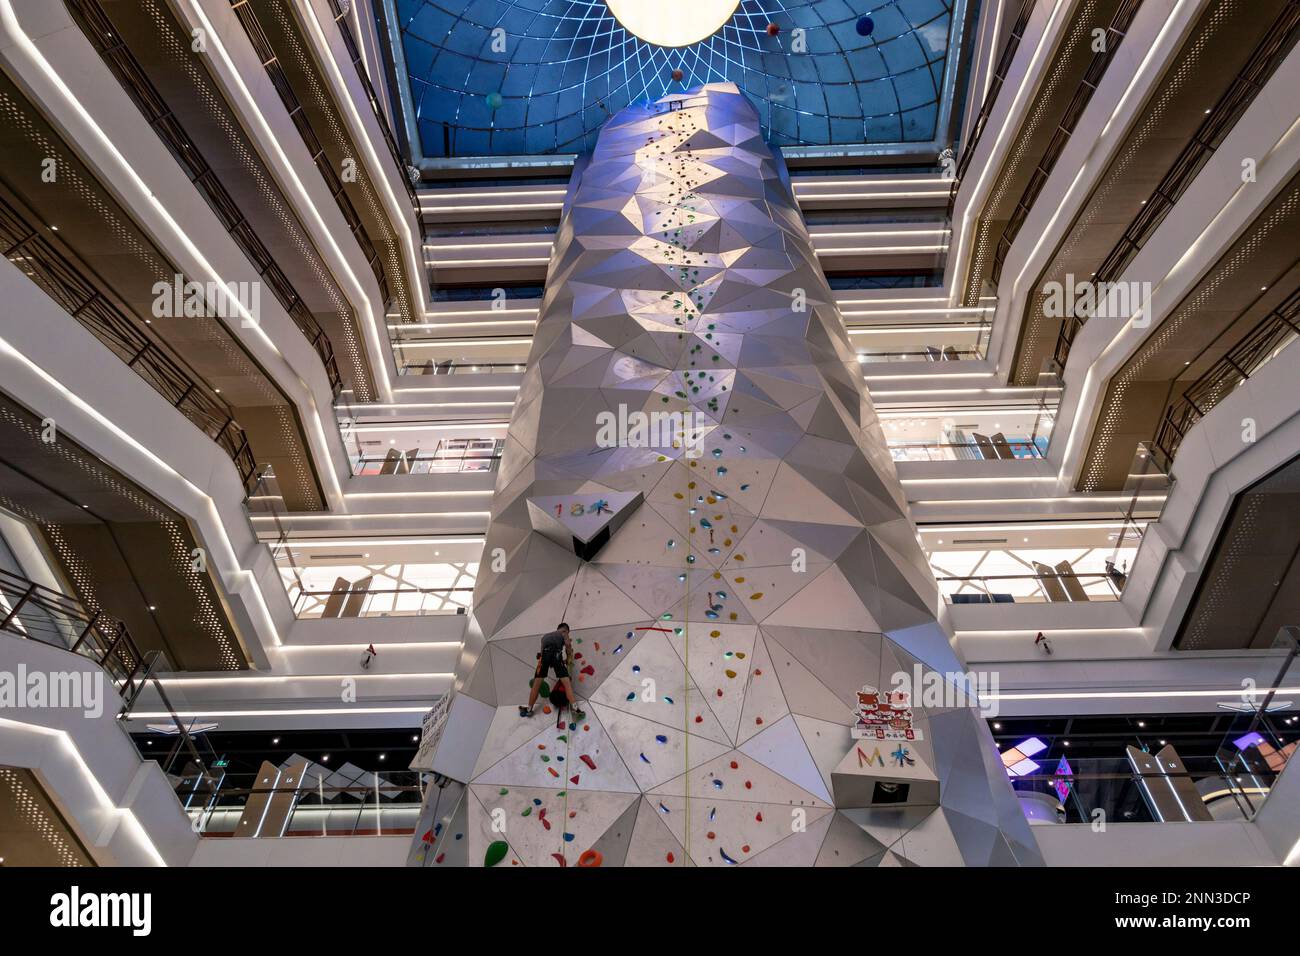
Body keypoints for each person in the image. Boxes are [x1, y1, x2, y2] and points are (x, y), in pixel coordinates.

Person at [519, 623, 584, 719]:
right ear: (565, 629)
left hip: (544, 657)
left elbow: (542, 655)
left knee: (536, 684)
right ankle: (576, 709)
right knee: (567, 684)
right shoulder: (564, 632)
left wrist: (555, 661)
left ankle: (529, 709)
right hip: (556, 655)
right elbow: (567, 644)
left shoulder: (545, 637)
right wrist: (569, 655)